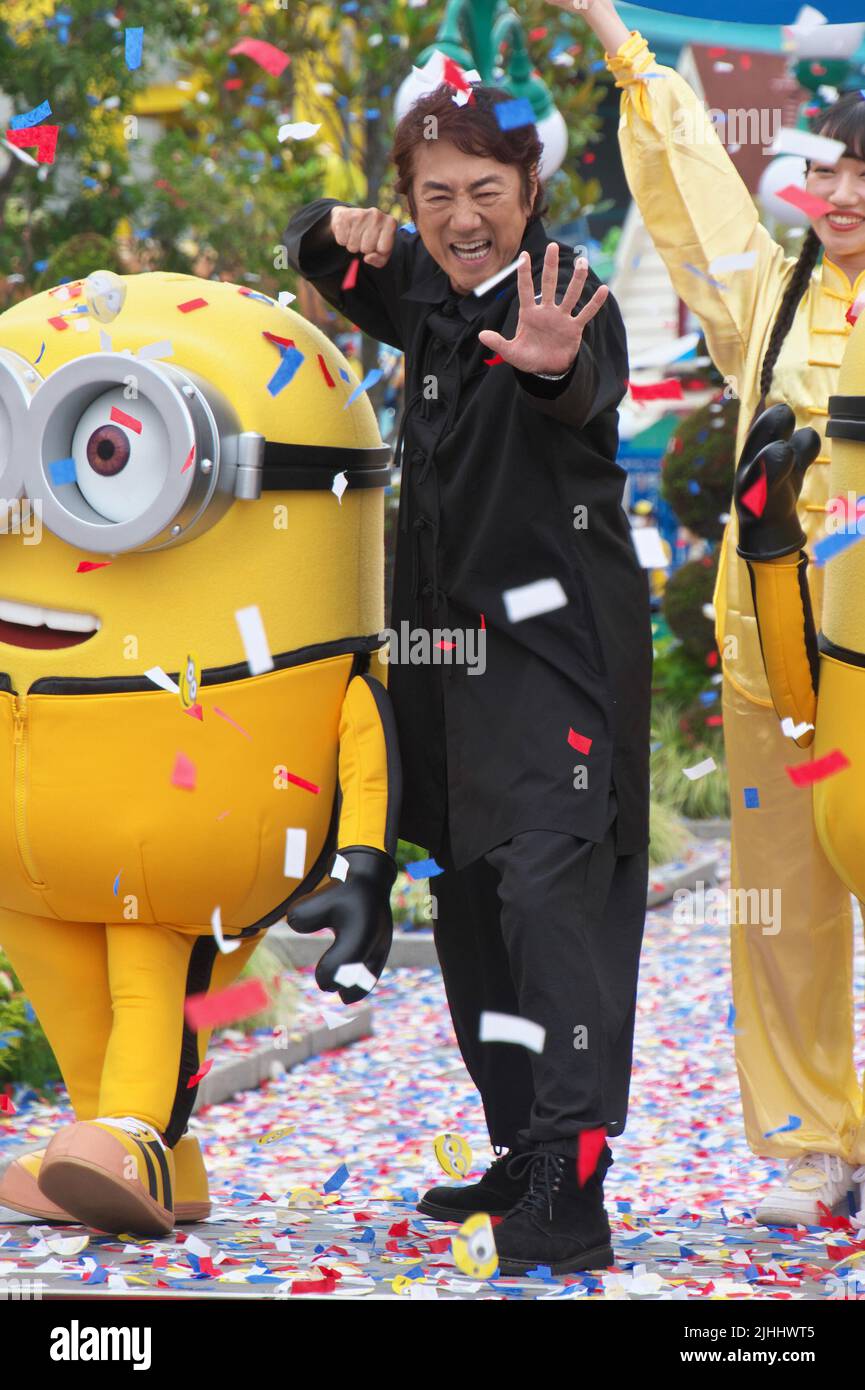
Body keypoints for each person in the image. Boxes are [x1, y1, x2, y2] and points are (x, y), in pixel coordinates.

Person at [283, 81, 652, 1274]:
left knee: (549, 892)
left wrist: (546, 368)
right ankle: (520, 1145)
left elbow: (581, 378)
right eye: (434, 196)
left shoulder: (566, 295)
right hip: (445, 668)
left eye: (486, 192)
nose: (463, 216)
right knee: (474, 910)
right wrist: (332, 227)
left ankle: (574, 1176)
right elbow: (309, 256)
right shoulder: (427, 292)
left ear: (530, 191)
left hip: (555, 659)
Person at [555, 0, 865, 1224]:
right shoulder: (771, 301)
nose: (842, 194)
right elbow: (695, 189)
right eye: (832, 169)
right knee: (782, 906)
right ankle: (812, 1140)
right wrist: (619, 42)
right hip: (774, 663)